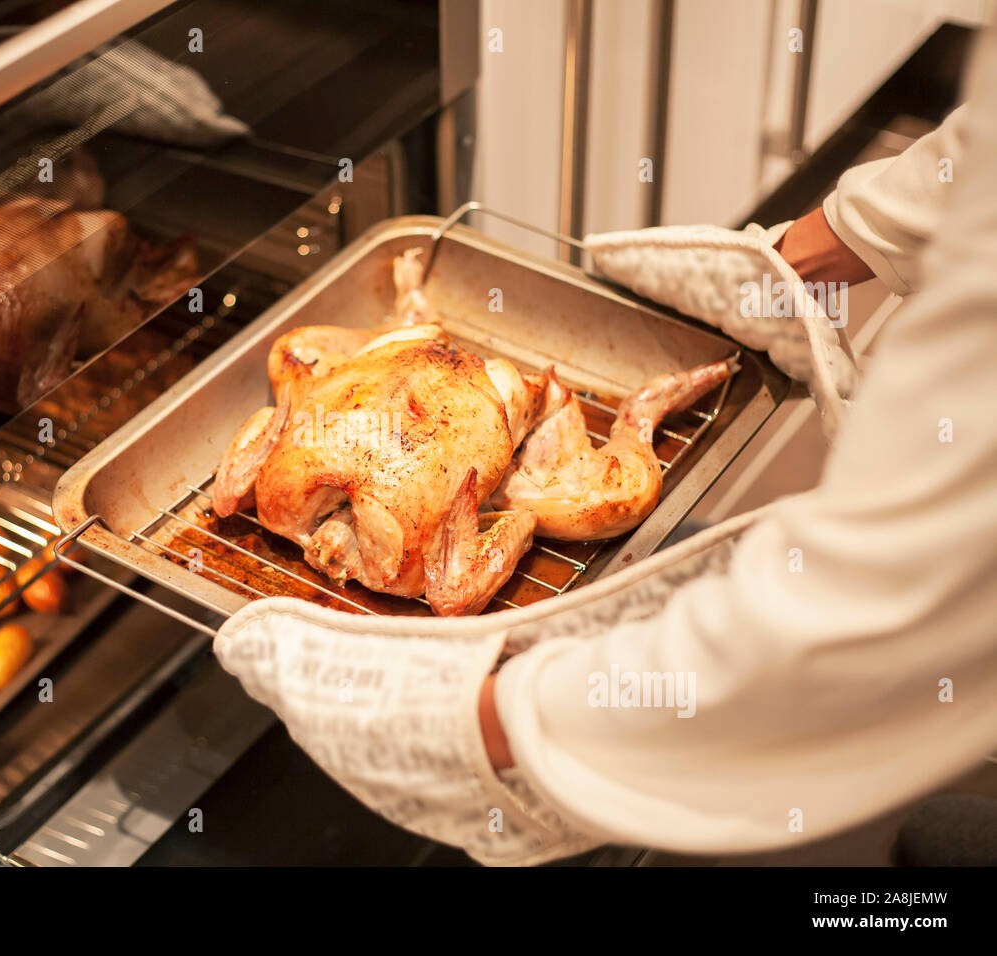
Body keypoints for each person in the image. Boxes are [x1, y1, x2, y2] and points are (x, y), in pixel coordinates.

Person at [211, 26, 997, 865]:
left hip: (373, 422)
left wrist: (480, 720)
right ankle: (635, 420)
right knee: (590, 500)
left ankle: (627, 416)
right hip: (442, 440)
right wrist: (820, 246)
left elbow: (889, 607)